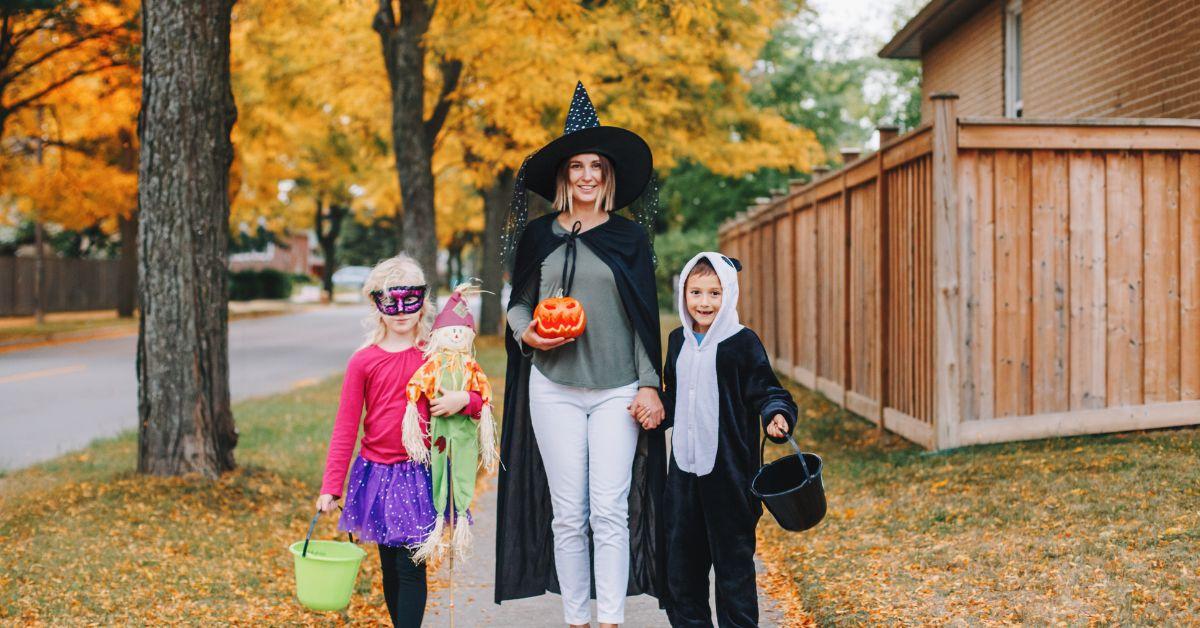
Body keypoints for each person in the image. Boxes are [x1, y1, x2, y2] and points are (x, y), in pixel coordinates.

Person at [495, 82, 669, 628]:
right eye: (577, 166)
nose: (588, 175)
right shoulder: (537, 237)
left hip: (618, 389)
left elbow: (645, 316)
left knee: (609, 511)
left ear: (608, 176)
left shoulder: (629, 238)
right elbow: (517, 303)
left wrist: (649, 384)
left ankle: (611, 619)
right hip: (553, 389)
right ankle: (577, 618)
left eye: (597, 166)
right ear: (564, 176)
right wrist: (529, 336)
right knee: (569, 515)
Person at [315, 254, 486, 628]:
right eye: (389, 301)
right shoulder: (363, 361)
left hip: (419, 474)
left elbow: (479, 397)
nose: (400, 311)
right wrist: (331, 486)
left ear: (423, 300)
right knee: (390, 567)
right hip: (377, 474)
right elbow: (346, 427)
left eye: (409, 299)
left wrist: (463, 400)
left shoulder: (437, 355)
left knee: (410, 568)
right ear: (376, 304)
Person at [660, 252, 798, 628]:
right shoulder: (678, 342)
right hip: (684, 480)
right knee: (683, 575)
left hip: (730, 481)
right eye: (696, 292)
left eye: (714, 293)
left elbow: (767, 390)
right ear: (683, 294)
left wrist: (776, 415)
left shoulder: (742, 343)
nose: (704, 302)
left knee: (733, 574)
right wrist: (654, 410)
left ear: (729, 294)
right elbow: (673, 397)